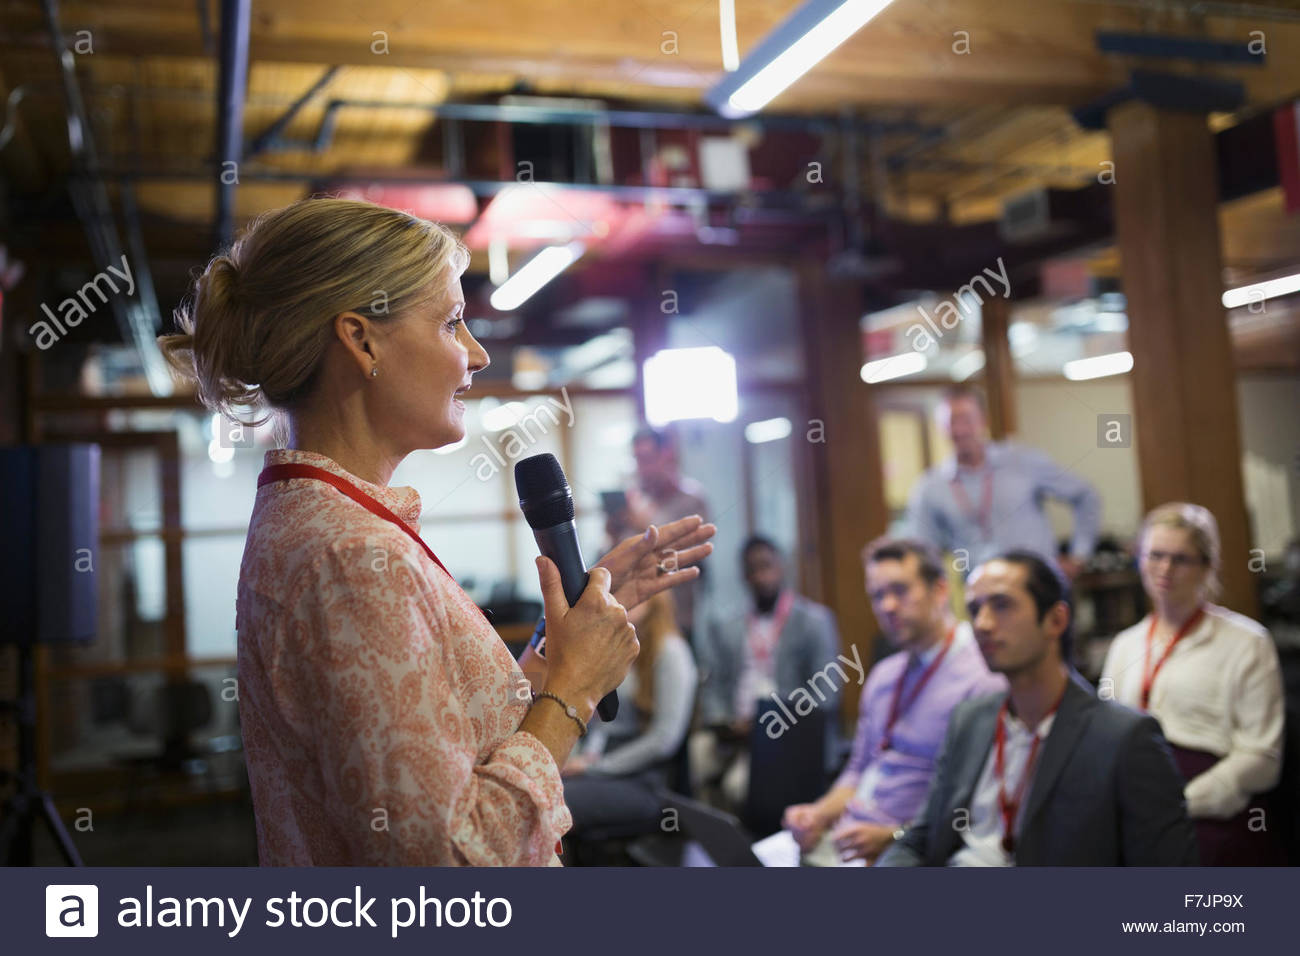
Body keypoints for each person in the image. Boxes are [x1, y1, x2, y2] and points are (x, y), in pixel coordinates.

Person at [158, 198, 715, 866]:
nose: (476, 354)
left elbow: (445, 744)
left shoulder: (332, 521)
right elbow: (445, 860)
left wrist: (562, 645)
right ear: (362, 340)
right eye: (452, 323)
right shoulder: (353, 557)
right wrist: (572, 693)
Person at [876, 550, 1197, 866]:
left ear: (1056, 620)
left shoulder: (1124, 739)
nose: (983, 624)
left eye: (1002, 605)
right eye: (975, 609)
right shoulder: (969, 720)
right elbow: (921, 838)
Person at [776, 538, 1004, 866]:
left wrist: (895, 836)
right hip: (848, 840)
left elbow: (969, 810)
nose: (888, 606)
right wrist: (816, 815)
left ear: (940, 590)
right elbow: (858, 771)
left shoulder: (981, 677)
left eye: (900, 590)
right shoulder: (884, 674)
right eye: (877, 596)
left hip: (906, 849)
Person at [1101, 503, 1286, 865]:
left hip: (1210, 812)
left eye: (1181, 559)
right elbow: (1104, 739)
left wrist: (1182, 802)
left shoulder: (1246, 642)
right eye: (1155, 555)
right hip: (1135, 809)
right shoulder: (1125, 645)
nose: (1165, 569)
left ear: (1207, 565)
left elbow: (1262, 758)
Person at [692, 535, 840, 807]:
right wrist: (720, 720)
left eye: (766, 566)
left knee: (737, 786)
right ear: (743, 576)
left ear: (781, 566)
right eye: (752, 570)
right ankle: (711, 840)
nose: (761, 577)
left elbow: (826, 693)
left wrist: (765, 723)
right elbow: (714, 683)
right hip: (735, 730)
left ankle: (743, 842)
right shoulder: (731, 626)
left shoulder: (813, 621)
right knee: (696, 756)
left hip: (786, 733)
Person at [902, 385, 1101, 579]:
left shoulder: (1022, 460)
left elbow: (1085, 495)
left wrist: (1079, 556)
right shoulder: (929, 487)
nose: (959, 429)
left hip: (1040, 584)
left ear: (983, 421)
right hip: (981, 594)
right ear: (940, 427)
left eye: (966, 419)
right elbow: (923, 551)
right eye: (951, 422)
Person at [561, 591, 697, 838]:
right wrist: (585, 757)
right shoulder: (618, 649)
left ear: (655, 597)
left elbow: (663, 741)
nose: (622, 597)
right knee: (542, 788)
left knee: (554, 802)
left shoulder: (671, 653)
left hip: (644, 779)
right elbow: (601, 725)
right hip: (604, 765)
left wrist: (595, 768)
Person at [607, 426, 711, 639]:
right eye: (637, 459)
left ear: (666, 455)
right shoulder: (634, 500)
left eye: (647, 458)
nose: (642, 468)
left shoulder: (691, 499)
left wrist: (644, 526)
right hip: (637, 616)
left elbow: (691, 555)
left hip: (679, 615)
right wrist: (613, 533)